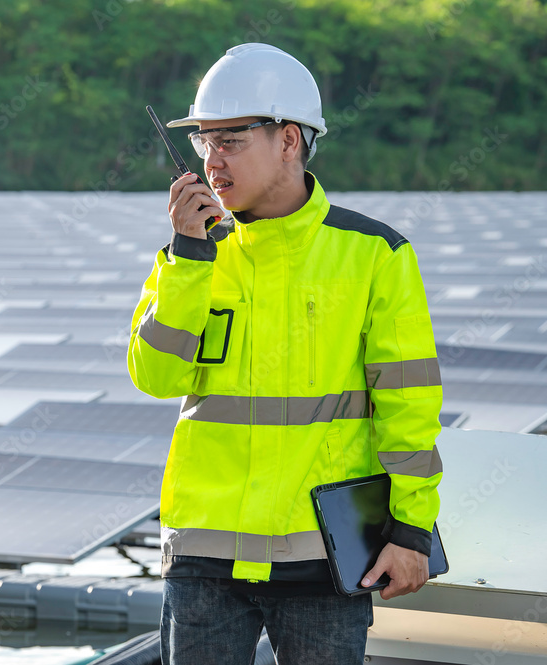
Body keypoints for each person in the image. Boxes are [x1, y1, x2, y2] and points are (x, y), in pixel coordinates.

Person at [127, 43, 443, 664]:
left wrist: (411, 532)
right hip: (203, 558)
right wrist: (188, 263)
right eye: (203, 144)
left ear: (289, 140)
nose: (212, 163)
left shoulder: (374, 254)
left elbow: (408, 405)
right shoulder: (189, 256)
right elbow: (155, 378)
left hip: (322, 559)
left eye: (231, 142)